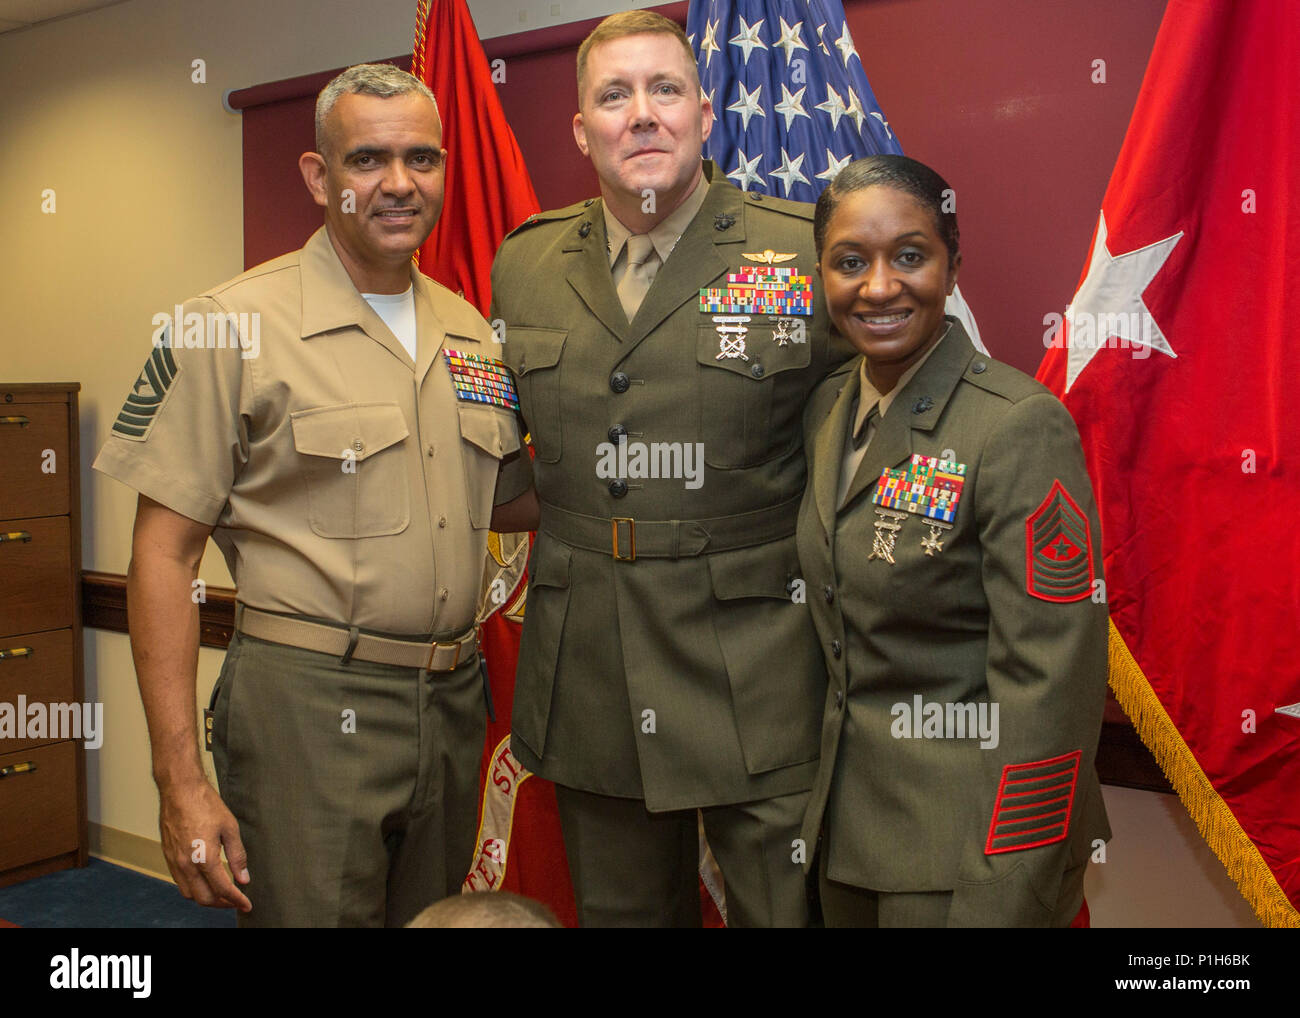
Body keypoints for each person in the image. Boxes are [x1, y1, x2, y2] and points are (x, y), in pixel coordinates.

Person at [93, 63, 536, 928]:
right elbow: (162, 555)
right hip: (307, 702)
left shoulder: (472, 330)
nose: (399, 185)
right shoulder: (227, 328)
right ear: (317, 176)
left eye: (422, 159)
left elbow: (508, 500)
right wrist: (179, 780)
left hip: (451, 704)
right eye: (368, 159)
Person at [489, 10, 851, 928]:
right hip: (593, 663)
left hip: (759, 662)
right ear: (582, 130)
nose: (641, 114)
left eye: (664, 90)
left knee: (789, 914)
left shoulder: (802, 250)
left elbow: (866, 454)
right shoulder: (525, 264)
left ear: (703, 112)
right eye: (614, 96)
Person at [796, 154, 1111, 927]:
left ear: (952, 264)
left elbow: (1050, 689)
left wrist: (1010, 886)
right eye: (848, 262)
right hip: (848, 840)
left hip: (967, 859)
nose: (877, 287)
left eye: (910, 255)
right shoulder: (829, 410)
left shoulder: (1015, 426)